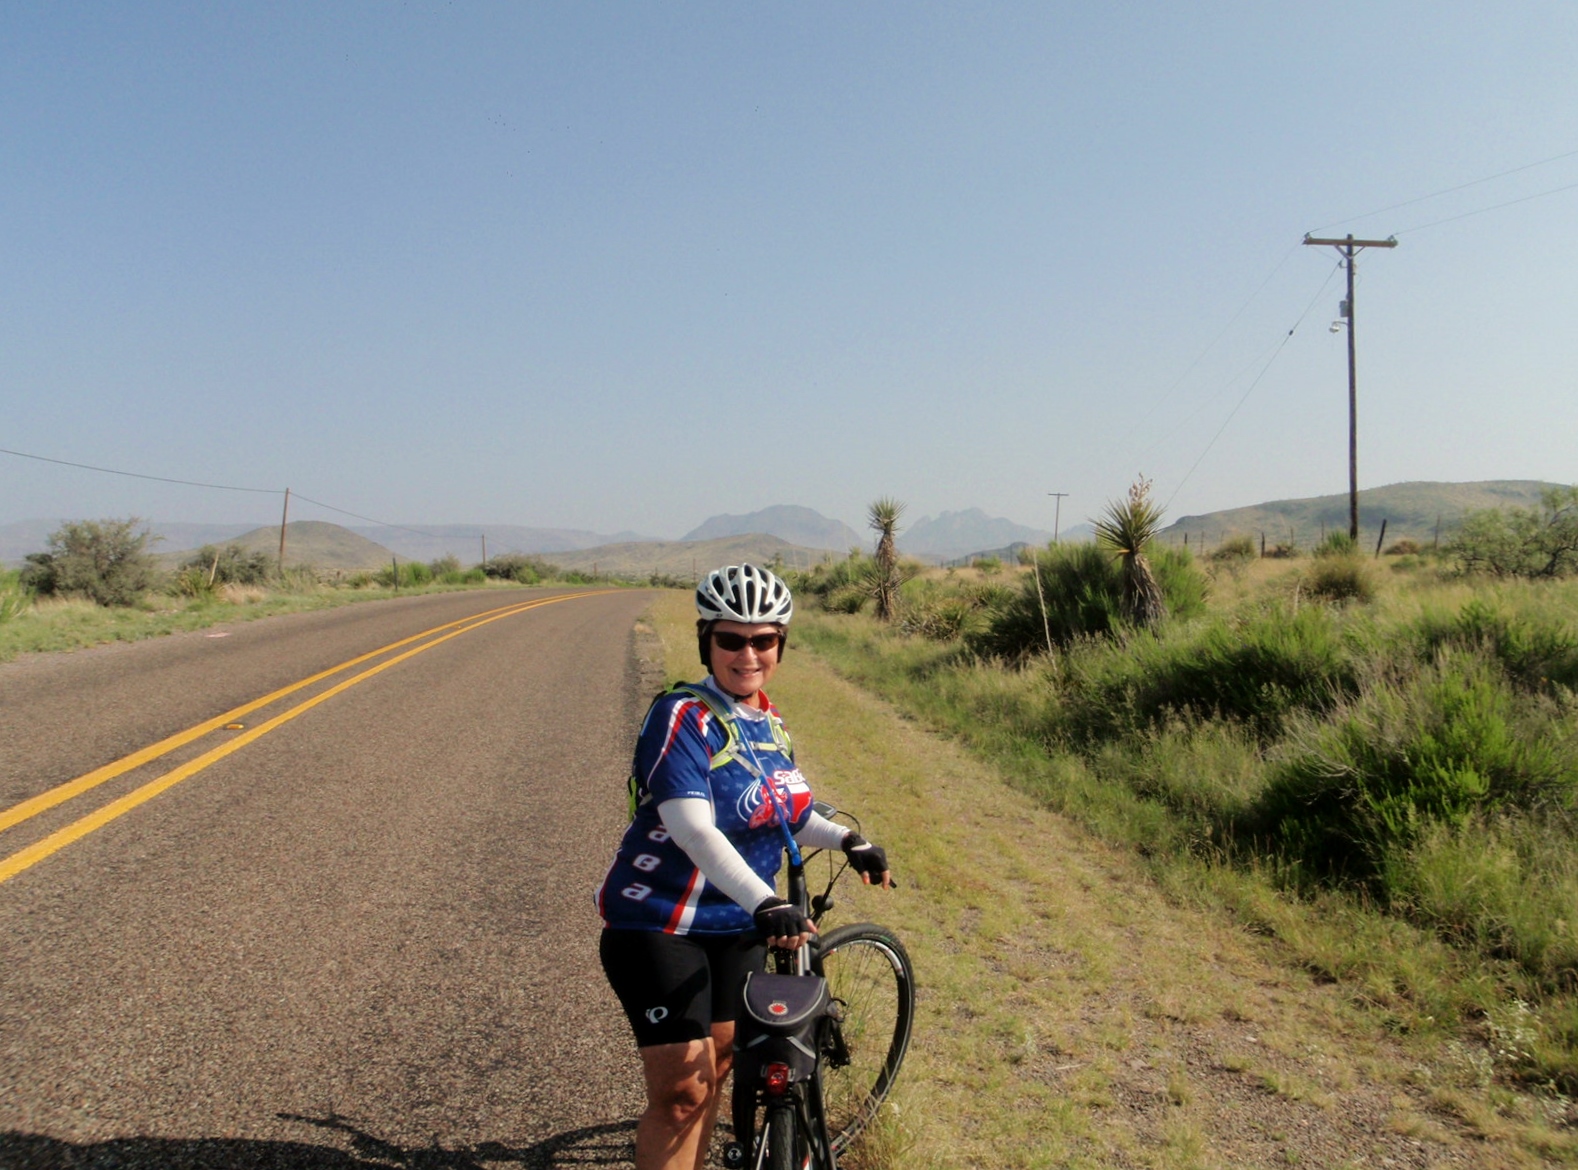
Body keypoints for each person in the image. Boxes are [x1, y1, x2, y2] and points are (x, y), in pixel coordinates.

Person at [596, 563, 892, 1170]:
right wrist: (767, 901)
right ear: (707, 641)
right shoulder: (683, 717)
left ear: (780, 645)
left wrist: (847, 840)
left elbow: (788, 813)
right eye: (731, 639)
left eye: (763, 640)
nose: (747, 653)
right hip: (659, 921)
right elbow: (693, 829)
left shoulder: (769, 723)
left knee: (721, 1065)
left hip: (739, 925)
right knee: (682, 1092)